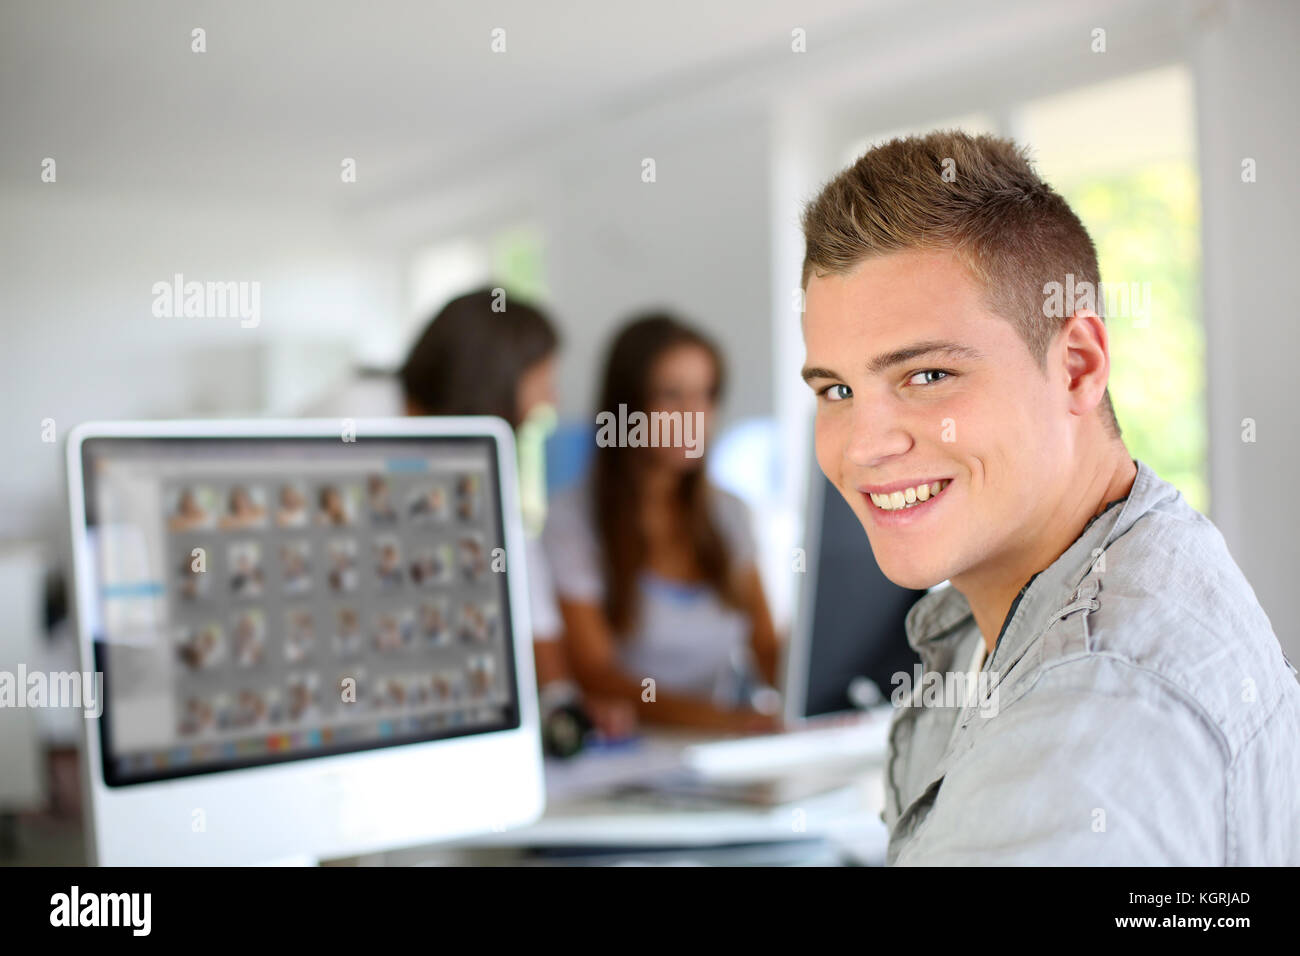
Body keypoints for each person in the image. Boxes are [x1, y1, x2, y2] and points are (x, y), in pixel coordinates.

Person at [798, 130, 1300, 864]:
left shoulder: (1092, 718)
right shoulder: (1031, 599)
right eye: (836, 389)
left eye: (928, 375)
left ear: (1076, 366)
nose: (863, 446)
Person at [399, 288, 635, 743]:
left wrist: (562, 701)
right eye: (543, 380)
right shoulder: (362, 423)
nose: (551, 402)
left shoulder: (482, 459)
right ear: (495, 376)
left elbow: (528, 596)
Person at [543, 314, 781, 733]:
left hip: (720, 748)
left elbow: (766, 647)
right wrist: (732, 722)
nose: (695, 415)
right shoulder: (571, 520)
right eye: (672, 395)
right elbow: (596, 676)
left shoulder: (729, 513)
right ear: (626, 407)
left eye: (706, 395)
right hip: (628, 758)